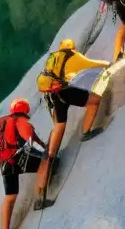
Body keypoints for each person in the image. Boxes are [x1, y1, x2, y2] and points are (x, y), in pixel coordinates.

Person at [37, 39, 112, 167]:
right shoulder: (73, 56)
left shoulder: (54, 57)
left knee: (60, 126)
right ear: (72, 47)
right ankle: (85, 133)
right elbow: (91, 64)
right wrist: (109, 64)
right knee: (94, 101)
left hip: (53, 94)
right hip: (65, 92)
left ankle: (51, 156)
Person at [0, 99, 51, 229]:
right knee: (44, 163)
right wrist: (46, 151)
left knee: (10, 197)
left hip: (4, 164)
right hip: (17, 159)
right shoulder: (21, 122)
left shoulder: (4, 125)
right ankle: (40, 200)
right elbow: (31, 141)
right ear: (25, 110)